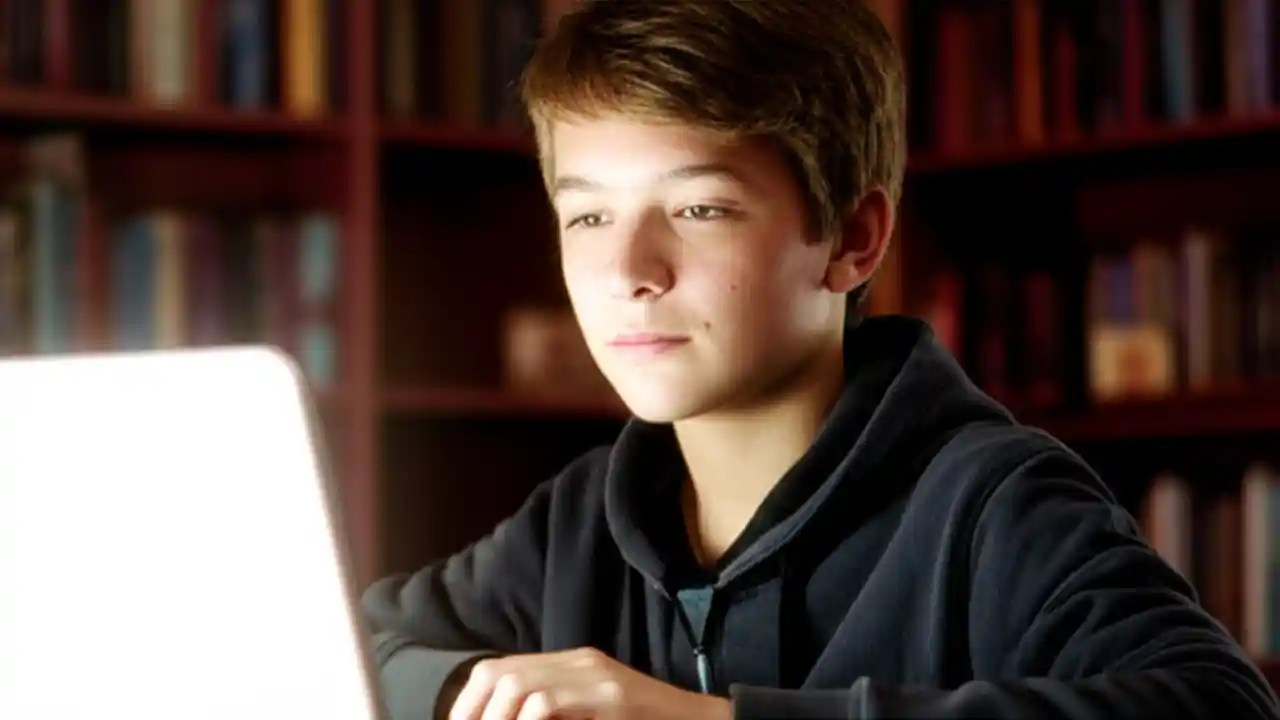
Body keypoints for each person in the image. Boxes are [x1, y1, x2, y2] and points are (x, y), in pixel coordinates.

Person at [361, 2, 1280, 718]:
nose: (628, 273)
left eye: (700, 209)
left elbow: (1217, 704)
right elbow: (345, 645)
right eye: (589, 216)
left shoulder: (992, 500)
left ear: (853, 237)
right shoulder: (578, 524)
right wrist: (470, 699)